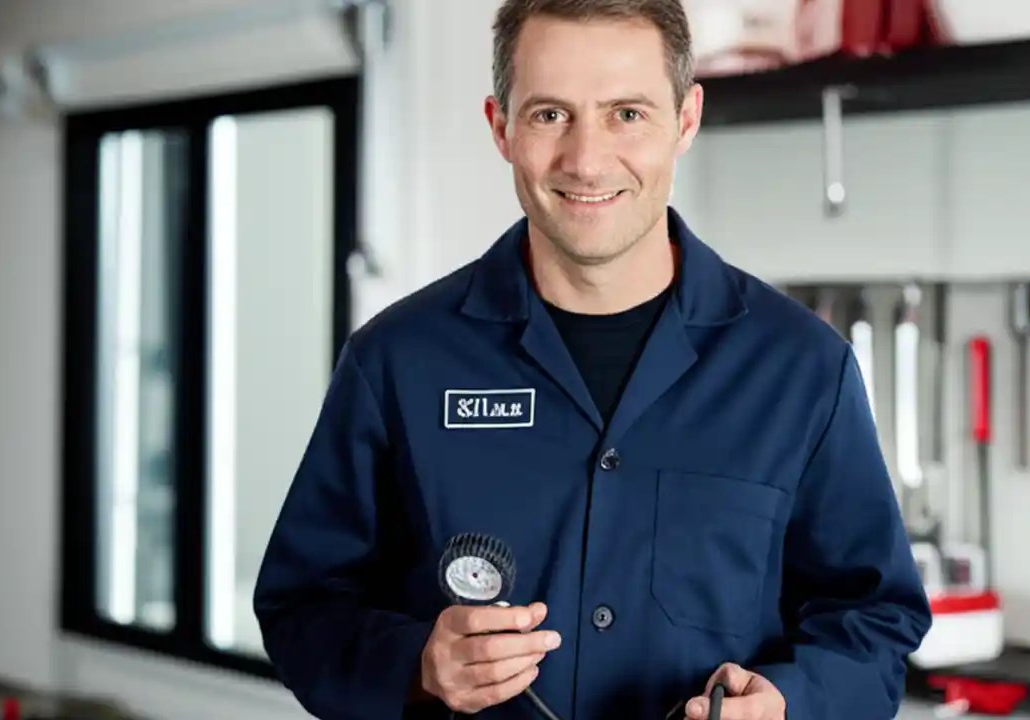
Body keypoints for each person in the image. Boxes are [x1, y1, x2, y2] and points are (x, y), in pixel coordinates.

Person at [252, 0, 932, 718]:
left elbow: (873, 620)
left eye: (627, 114)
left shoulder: (801, 369)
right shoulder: (395, 362)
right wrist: (417, 665)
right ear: (500, 127)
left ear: (686, 119)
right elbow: (303, 608)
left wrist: (790, 702)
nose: (585, 159)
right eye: (550, 114)